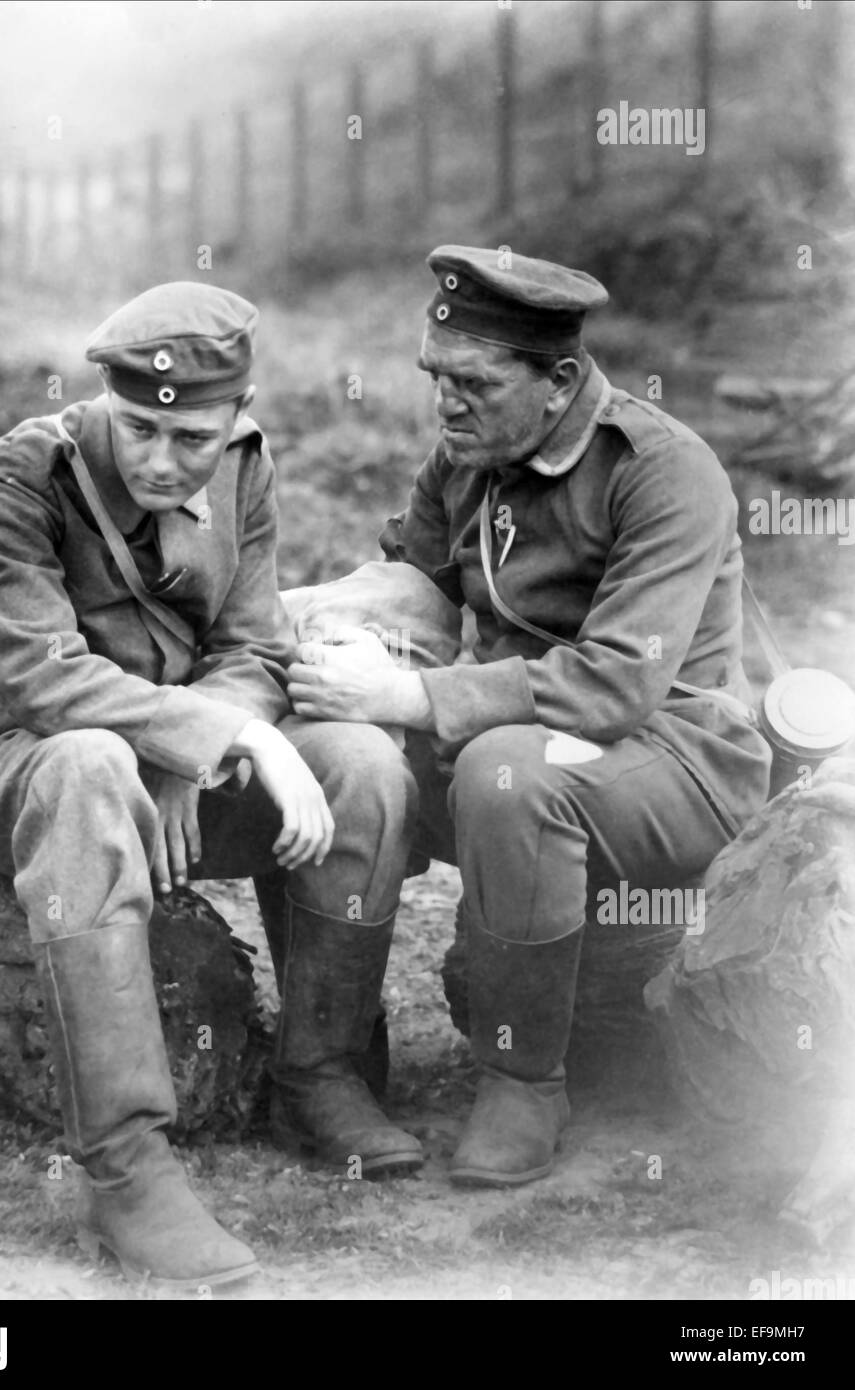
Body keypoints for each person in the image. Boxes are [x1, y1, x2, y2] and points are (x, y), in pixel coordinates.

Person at [0, 281, 420, 1291]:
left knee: (359, 760)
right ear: (105, 400)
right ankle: (126, 1168)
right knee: (96, 764)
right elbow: (39, 674)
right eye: (138, 428)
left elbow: (250, 642)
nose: (160, 458)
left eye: (189, 436)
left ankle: (315, 1072)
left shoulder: (245, 468)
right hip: (23, 768)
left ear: (233, 417)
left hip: (160, 768)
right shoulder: (24, 474)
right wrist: (212, 736)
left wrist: (203, 755)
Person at [288, 245, 772, 1188]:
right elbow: (415, 592)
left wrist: (413, 696)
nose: (446, 405)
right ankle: (327, 1064)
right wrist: (315, 630)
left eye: (473, 383)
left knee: (503, 771)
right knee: (348, 757)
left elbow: (618, 682)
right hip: (520, 746)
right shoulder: (467, 460)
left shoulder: (663, 471)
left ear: (558, 382)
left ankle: (522, 1081)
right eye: (436, 379)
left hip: (675, 756)